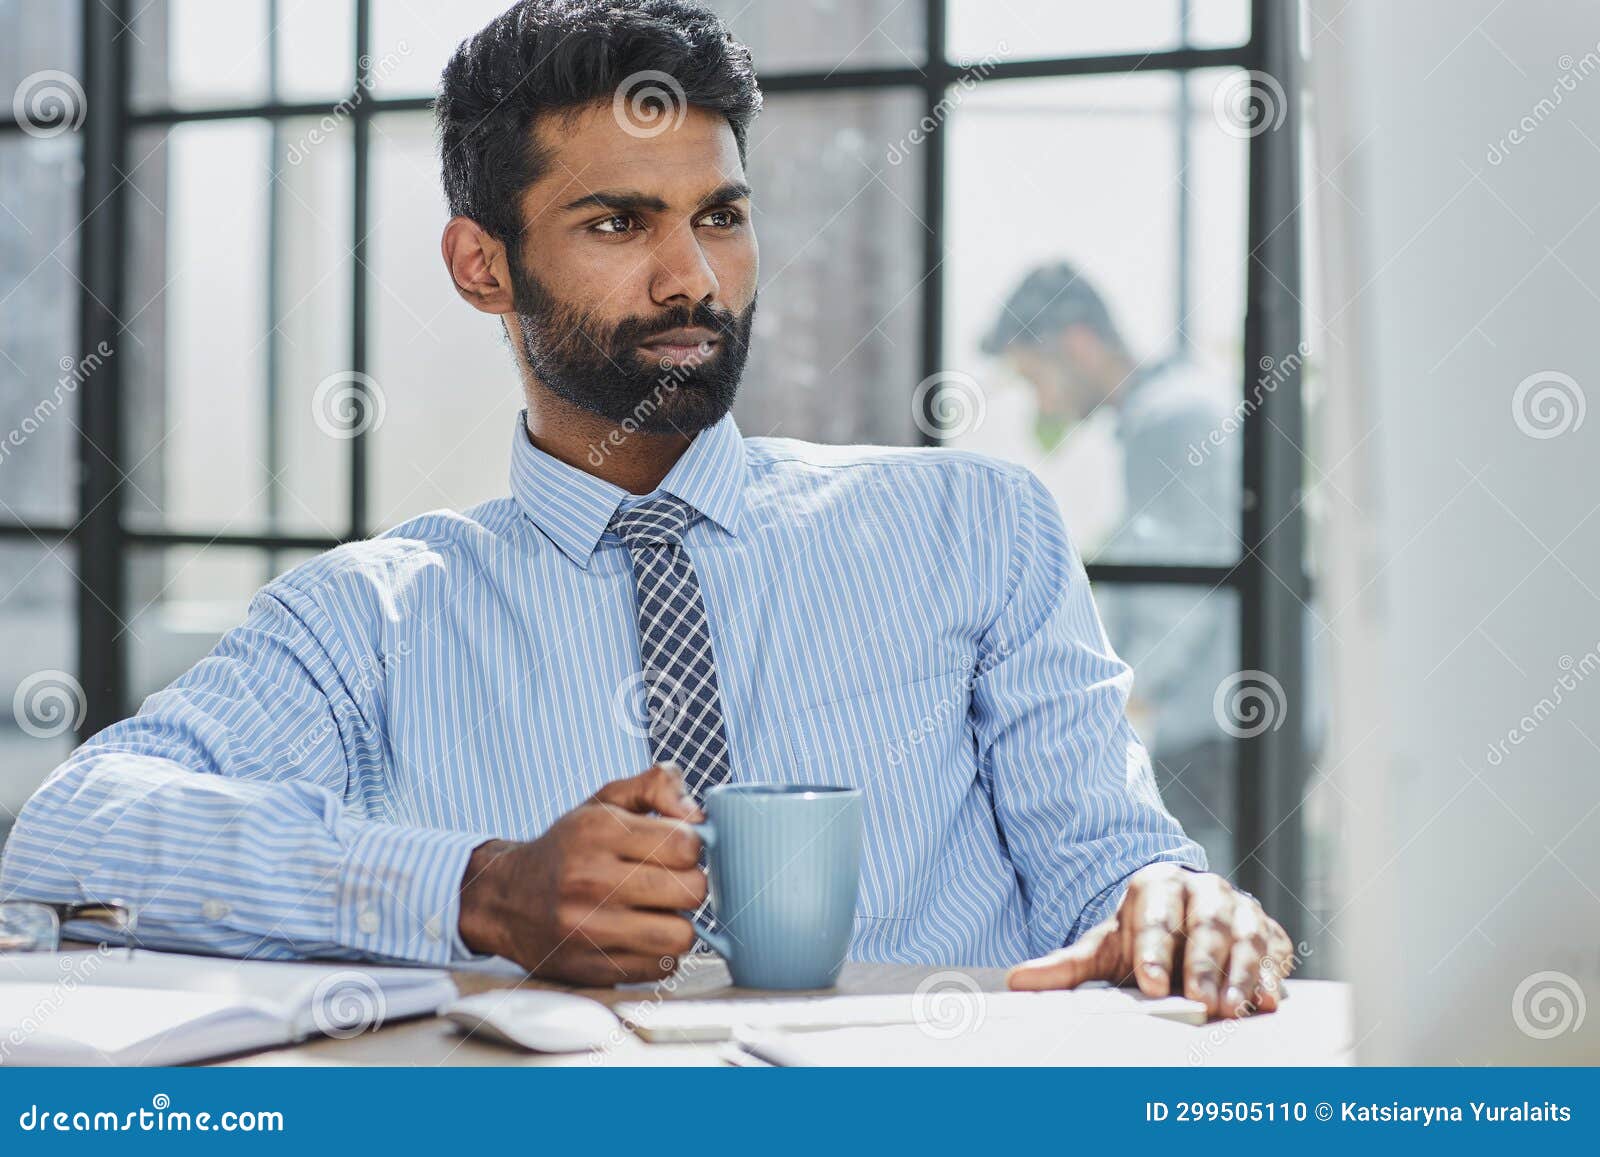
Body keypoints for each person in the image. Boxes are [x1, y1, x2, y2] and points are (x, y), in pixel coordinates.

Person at [0, 0, 1291, 1017]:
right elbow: (67, 838)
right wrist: (479, 889)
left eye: (719, 217)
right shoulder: (372, 614)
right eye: (618, 221)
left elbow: (1106, 857)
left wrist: (1167, 899)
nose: (693, 279)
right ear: (481, 265)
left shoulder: (974, 525)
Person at [981, 262, 1240, 870]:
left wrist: (1126, 695)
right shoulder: (1182, 405)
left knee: (1209, 904)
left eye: (1035, 374)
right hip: (1220, 719)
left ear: (1077, 344)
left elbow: (1182, 579)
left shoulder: (1171, 419)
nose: (1041, 398)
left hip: (1212, 729)